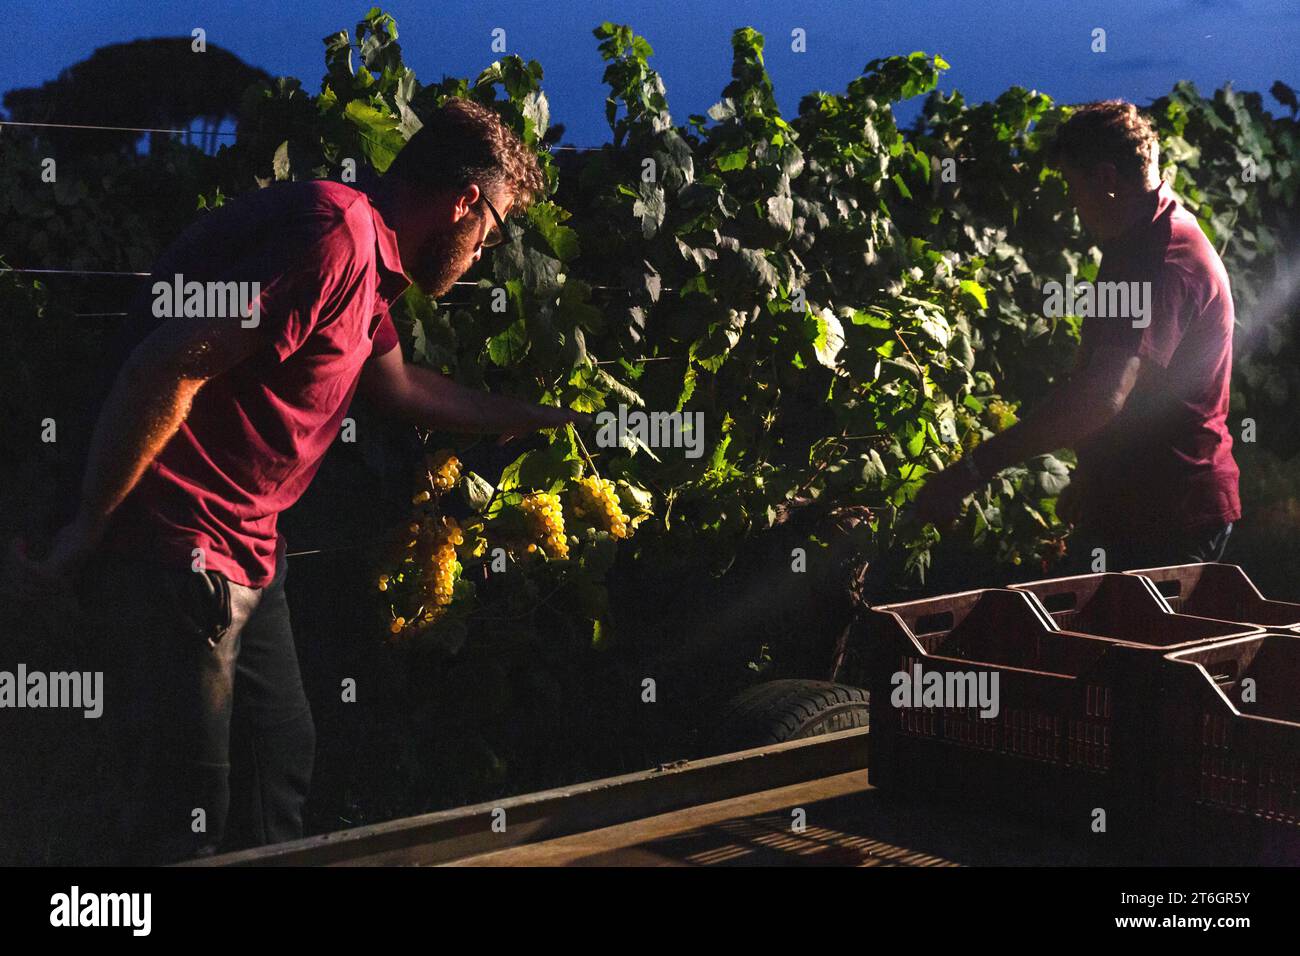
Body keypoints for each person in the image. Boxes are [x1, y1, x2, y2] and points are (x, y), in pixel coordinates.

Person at [2, 97, 584, 863]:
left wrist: (534, 418)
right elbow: (169, 362)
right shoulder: (335, 236)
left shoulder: (373, 269)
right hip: (182, 543)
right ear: (466, 202)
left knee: (278, 763)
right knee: (186, 817)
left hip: (254, 552)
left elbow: (401, 388)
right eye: (496, 233)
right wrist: (89, 524)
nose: (486, 254)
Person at [915, 100, 1240, 573]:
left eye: (1073, 184)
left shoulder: (1158, 258)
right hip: (1142, 501)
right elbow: (1139, 389)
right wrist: (1096, 475)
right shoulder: (1142, 235)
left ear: (1106, 179)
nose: (1072, 200)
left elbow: (1102, 395)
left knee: (1122, 647)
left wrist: (972, 470)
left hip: (1170, 514)